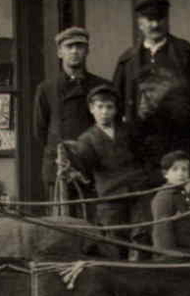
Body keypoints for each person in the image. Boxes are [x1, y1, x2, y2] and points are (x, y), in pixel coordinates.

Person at [112, 0, 190, 175]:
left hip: (182, 140)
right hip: (142, 143)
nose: (155, 25)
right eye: (149, 20)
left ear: (166, 21)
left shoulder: (188, 53)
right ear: (140, 23)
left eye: (159, 19)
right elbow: (116, 99)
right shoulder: (128, 60)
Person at [59, 83, 152, 239]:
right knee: (116, 240)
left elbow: (144, 156)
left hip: (137, 192)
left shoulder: (128, 131)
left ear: (115, 109)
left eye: (109, 107)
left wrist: (145, 178)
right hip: (110, 196)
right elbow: (85, 168)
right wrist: (72, 167)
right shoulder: (87, 139)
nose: (104, 112)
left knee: (142, 236)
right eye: (100, 107)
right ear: (91, 109)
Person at [33, 26, 112, 200]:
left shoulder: (101, 86)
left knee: (91, 219)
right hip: (58, 164)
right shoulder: (47, 88)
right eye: (69, 47)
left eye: (80, 47)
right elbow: (40, 130)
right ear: (60, 53)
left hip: (92, 164)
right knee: (60, 220)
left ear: (87, 51)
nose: (75, 51)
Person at [150, 149, 190, 256]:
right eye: (175, 169)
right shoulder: (164, 197)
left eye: (184, 169)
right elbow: (162, 233)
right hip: (176, 256)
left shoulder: (183, 195)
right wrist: (170, 256)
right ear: (165, 174)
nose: (181, 173)